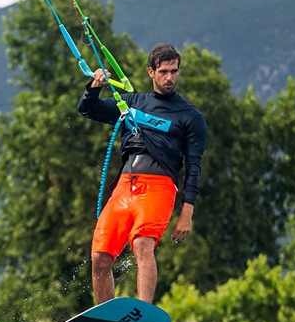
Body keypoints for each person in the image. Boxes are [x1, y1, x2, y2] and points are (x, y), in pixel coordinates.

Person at [78, 43, 207, 305]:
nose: (169, 77)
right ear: (151, 72)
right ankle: (105, 315)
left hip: (159, 188)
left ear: (179, 71)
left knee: (142, 244)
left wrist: (187, 212)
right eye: (163, 71)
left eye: (174, 71)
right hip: (125, 188)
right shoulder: (131, 102)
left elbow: (194, 167)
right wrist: (95, 86)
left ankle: (143, 310)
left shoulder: (191, 117)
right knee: (100, 256)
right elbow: (88, 109)